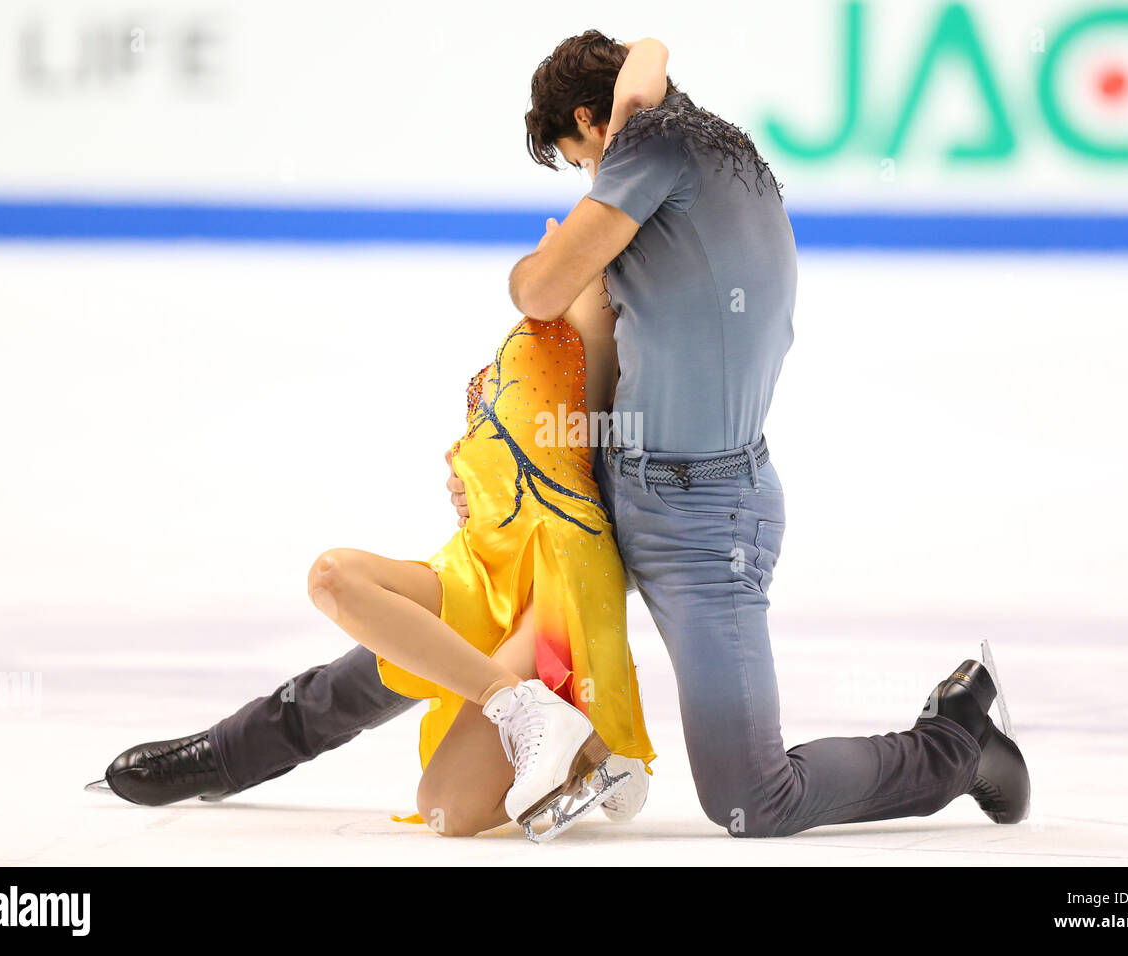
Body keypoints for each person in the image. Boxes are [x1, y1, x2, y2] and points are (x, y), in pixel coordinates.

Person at [93, 30, 1028, 839]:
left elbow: (542, 287)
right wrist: (496, 471)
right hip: (605, 497)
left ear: (592, 124)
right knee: (420, 637)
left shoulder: (650, 153)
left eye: (580, 165)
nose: (587, 192)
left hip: (706, 522)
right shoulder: (690, 158)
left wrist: (546, 258)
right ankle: (230, 752)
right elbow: (580, 372)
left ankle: (954, 741)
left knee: (751, 796)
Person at [92, 265, 655, 839]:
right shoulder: (563, 303)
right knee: (338, 585)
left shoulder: (600, 291)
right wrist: (481, 478)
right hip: (482, 562)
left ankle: (584, 751)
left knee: (447, 807)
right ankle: (539, 720)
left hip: (554, 569)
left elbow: (604, 455)